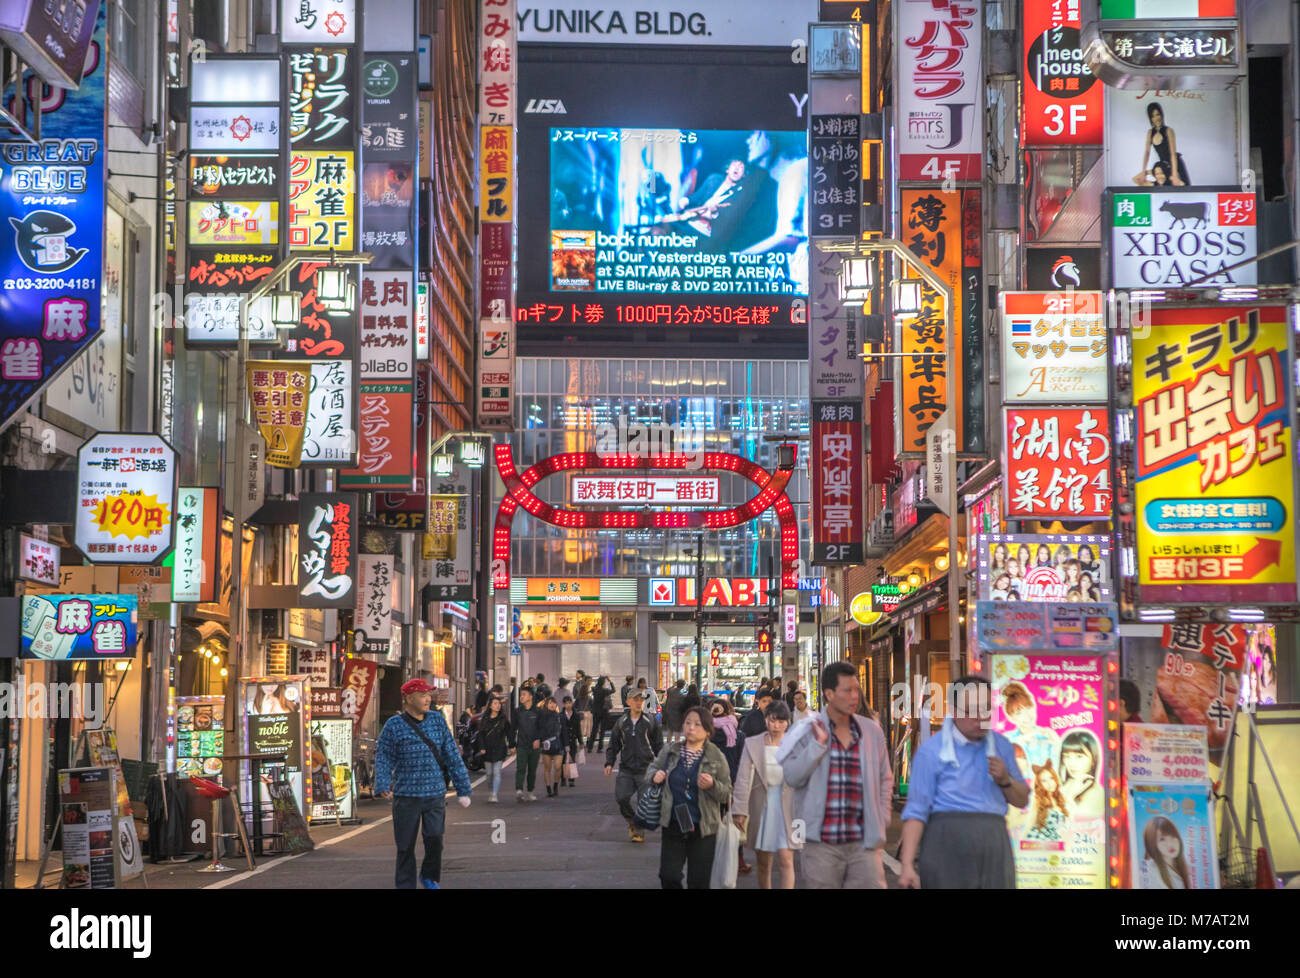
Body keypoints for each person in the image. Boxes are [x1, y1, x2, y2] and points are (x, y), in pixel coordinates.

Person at [898, 675, 1030, 889]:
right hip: (946, 842)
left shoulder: (1002, 746)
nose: (981, 718)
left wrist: (1006, 780)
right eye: (972, 711)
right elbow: (916, 810)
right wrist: (907, 865)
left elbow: (1022, 799)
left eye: (986, 709)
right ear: (954, 711)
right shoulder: (931, 751)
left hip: (994, 842)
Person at [777, 661, 893, 889]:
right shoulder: (805, 731)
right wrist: (816, 747)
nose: (855, 696)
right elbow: (792, 777)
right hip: (820, 842)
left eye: (856, 690)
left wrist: (882, 818)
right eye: (847, 690)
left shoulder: (871, 730)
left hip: (864, 842)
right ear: (829, 694)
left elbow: (885, 778)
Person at [374, 678, 472, 889]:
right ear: (409, 698)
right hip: (406, 795)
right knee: (405, 846)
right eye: (422, 695)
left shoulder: (437, 720)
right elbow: (384, 756)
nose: (428, 699)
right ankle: (405, 884)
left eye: (429, 695)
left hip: (435, 793)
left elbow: (452, 755)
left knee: (435, 838)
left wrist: (463, 788)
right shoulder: (394, 725)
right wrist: (382, 783)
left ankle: (429, 875)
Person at [645, 706, 733, 889]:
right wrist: (655, 776)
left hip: (704, 828)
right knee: (668, 875)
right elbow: (651, 770)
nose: (691, 728)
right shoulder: (671, 750)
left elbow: (727, 793)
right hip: (674, 823)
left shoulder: (716, 756)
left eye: (697, 724)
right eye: (687, 723)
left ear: (708, 730)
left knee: (699, 881)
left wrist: (712, 785)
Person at [733, 700, 799, 889]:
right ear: (765, 720)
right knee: (764, 862)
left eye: (781, 721)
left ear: (788, 722)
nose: (776, 726)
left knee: (787, 860)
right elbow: (743, 777)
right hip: (761, 805)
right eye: (772, 721)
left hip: (791, 807)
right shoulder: (752, 743)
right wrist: (739, 809)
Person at [605, 687, 663, 842]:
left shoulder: (650, 721)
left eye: (641, 700)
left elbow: (659, 745)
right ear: (628, 701)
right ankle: (632, 821)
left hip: (646, 769)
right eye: (635, 700)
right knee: (621, 798)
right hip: (626, 769)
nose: (639, 703)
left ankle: (638, 830)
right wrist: (609, 763)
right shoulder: (621, 722)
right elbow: (613, 744)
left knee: (644, 803)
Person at [1134, 102, 1188, 187]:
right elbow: (1147, 152)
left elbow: (1173, 154)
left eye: (1157, 114)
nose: (1156, 118)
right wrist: (1143, 171)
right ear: (1150, 119)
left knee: (1183, 187)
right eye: (1153, 116)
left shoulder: (1168, 131)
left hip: (1175, 165)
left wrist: (1174, 175)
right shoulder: (1150, 132)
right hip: (1164, 166)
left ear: (1161, 115)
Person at [475, 693, 514, 803]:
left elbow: (509, 733)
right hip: (487, 750)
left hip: (499, 749)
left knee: (496, 772)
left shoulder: (503, 719)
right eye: (495, 704)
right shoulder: (485, 719)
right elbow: (480, 735)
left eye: (499, 704)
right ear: (490, 706)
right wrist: (481, 747)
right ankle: (491, 790)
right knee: (489, 774)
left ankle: (494, 794)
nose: (498, 706)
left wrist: (511, 745)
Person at [1058, 730, 1102, 817]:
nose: (1071, 763)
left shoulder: (1096, 793)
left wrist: (1070, 797)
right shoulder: (1064, 784)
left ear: (1093, 759)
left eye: (1079, 756)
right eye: (1067, 756)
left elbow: (1078, 823)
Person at [1141, 816, 1192, 889]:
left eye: (1173, 836)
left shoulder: (1187, 869)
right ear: (1152, 843)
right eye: (1162, 839)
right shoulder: (1150, 872)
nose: (1170, 844)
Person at [513, 686, 542, 802]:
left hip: (534, 745)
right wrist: (511, 744)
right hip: (521, 744)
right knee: (520, 768)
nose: (521, 697)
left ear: (530, 696)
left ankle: (530, 791)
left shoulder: (538, 711)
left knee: (532, 770)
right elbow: (513, 728)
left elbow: (541, 728)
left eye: (524, 694)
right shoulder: (517, 711)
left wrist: (538, 739)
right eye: (521, 694)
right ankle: (519, 790)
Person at [538, 696, 566, 797]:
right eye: (550, 703)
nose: (552, 705)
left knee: (558, 767)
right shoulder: (542, 717)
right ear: (546, 705)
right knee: (547, 768)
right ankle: (548, 788)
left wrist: (566, 745)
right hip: (546, 745)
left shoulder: (560, 716)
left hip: (558, 744)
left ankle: (555, 786)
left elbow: (564, 732)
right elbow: (539, 731)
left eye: (554, 703)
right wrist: (541, 741)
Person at [589, 675, 614, 752]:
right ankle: (599, 748)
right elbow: (613, 690)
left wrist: (601, 679)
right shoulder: (605, 690)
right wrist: (610, 681)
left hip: (596, 712)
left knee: (594, 730)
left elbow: (596, 686)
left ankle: (590, 747)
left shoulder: (594, 689)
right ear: (603, 683)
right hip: (603, 712)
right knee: (602, 730)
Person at [562, 695, 583, 787]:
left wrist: (581, 741)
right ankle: (563, 778)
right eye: (566, 703)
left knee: (572, 759)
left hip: (573, 740)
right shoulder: (561, 715)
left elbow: (578, 729)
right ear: (563, 704)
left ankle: (571, 779)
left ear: (572, 703)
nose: (568, 705)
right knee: (563, 760)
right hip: (563, 740)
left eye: (569, 703)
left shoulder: (576, 715)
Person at [573, 679, 593, 751]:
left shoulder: (578, 698)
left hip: (580, 715)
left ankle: (581, 743)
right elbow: (592, 706)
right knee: (588, 729)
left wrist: (577, 711)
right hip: (588, 714)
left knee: (580, 730)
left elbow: (574, 706)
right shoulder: (589, 698)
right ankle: (588, 743)